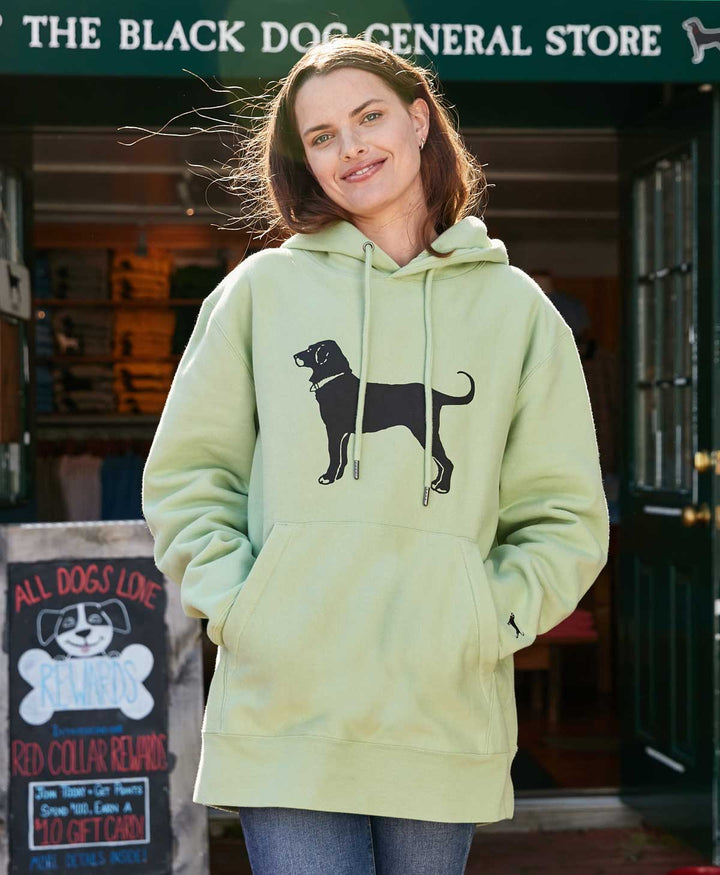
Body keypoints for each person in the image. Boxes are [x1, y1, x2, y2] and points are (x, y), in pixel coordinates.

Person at [141, 35, 610, 875]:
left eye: (369, 117)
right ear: (306, 161)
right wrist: (244, 608)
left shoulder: (517, 311)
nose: (351, 146)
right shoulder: (258, 295)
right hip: (288, 709)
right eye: (322, 136)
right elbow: (188, 479)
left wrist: (486, 617)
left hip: (440, 709)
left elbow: (565, 513)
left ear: (420, 121)